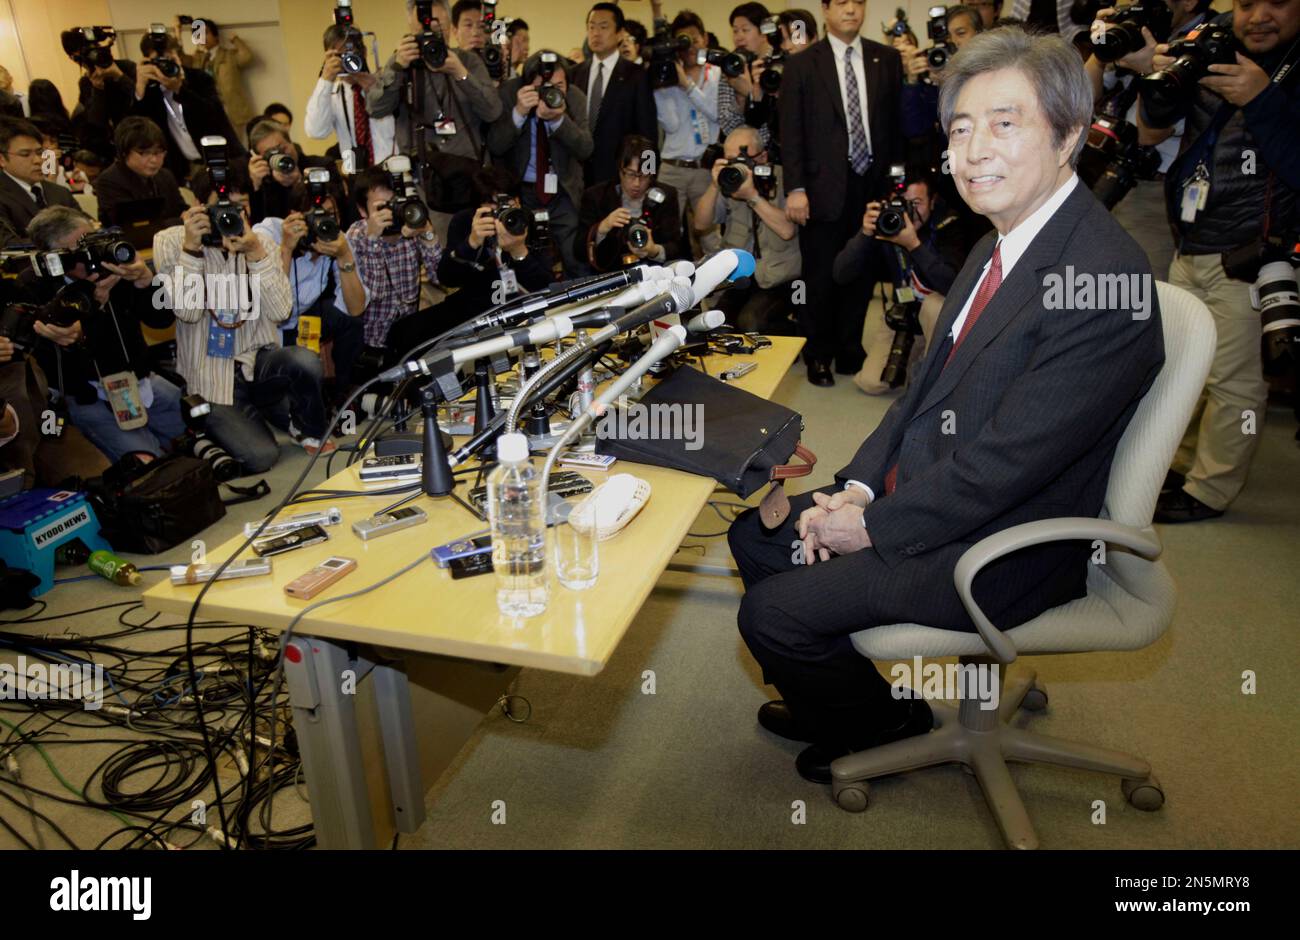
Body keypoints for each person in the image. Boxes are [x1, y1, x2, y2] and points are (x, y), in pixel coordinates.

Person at [728, 27, 1164, 784]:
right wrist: (858, 487)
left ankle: (879, 724)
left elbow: (1012, 463)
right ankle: (846, 699)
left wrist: (869, 526)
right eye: (960, 129)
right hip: (935, 495)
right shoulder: (1002, 242)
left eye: (1004, 124)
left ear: (1066, 138)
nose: (971, 152)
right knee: (757, 538)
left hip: (1009, 544)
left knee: (773, 613)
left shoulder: (1103, 278)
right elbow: (919, 399)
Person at [1137, 0, 1300, 523]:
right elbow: (1152, 127)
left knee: (1235, 383)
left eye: (1277, 1)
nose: (1260, 16)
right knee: (1189, 368)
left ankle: (1210, 489)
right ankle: (1183, 463)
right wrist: (1157, 73)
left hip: (1252, 252)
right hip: (1192, 238)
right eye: (1248, 3)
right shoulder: (1211, 47)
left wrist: (1263, 99)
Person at [152, 161, 331, 470]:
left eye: (240, 207)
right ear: (197, 207)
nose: (230, 217)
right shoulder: (170, 241)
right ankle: (210, 431)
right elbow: (188, 312)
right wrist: (192, 252)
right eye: (222, 208)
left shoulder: (260, 241)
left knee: (305, 360)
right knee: (261, 457)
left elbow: (281, 312)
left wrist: (256, 255)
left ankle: (285, 418)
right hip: (210, 375)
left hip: (257, 362)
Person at [779, 0, 904, 386]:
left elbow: (894, 124)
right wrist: (796, 188)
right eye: (842, 3)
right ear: (826, 9)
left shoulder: (886, 58)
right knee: (820, 274)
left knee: (861, 270)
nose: (851, 9)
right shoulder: (803, 63)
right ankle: (819, 354)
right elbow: (791, 131)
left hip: (872, 180)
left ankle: (850, 348)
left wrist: (897, 183)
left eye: (858, 2)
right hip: (820, 187)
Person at [23, 206, 184, 463]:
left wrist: (146, 280)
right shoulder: (34, 288)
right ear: (56, 259)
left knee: (203, 440)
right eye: (80, 251)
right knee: (150, 466)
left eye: (93, 242)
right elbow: (55, 366)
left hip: (143, 381)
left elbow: (162, 319)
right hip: (90, 396)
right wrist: (90, 311)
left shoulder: (114, 264)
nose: (92, 256)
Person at [835, 165, 987, 392]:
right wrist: (864, 234)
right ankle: (922, 360)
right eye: (902, 202)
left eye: (916, 203)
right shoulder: (887, 223)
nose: (908, 211)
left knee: (934, 306)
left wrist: (914, 245)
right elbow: (841, 274)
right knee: (871, 383)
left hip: (941, 316)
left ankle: (940, 373)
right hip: (904, 314)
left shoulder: (949, 224)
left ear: (933, 201)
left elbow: (953, 286)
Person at [365, 0, 503, 224]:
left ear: (450, 28)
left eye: (439, 31)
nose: (431, 38)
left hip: (472, 177)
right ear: (411, 30)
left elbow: (493, 111)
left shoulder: (468, 61)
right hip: (426, 181)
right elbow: (375, 108)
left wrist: (460, 73)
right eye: (424, 32)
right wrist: (398, 67)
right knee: (437, 251)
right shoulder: (402, 64)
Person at [253, 182, 368, 405]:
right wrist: (286, 248)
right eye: (315, 216)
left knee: (350, 322)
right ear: (295, 216)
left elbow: (356, 308)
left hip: (304, 320)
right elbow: (269, 304)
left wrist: (344, 255)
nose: (323, 224)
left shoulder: (337, 237)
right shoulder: (269, 232)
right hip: (266, 327)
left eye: (331, 216)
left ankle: (344, 398)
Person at [487, 50, 593, 277]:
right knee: (533, 259)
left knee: (575, 256)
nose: (552, 92)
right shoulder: (509, 92)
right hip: (522, 191)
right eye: (543, 87)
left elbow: (585, 149)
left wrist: (559, 120)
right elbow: (495, 146)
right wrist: (519, 113)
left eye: (559, 85)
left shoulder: (574, 97)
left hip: (563, 190)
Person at [694, 125, 801, 334]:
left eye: (740, 161)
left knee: (750, 323)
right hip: (742, 276)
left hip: (782, 277)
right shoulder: (728, 183)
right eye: (729, 160)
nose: (735, 168)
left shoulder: (784, 178)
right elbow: (700, 224)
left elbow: (787, 231)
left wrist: (752, 196)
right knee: (716, 327)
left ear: (761, 157)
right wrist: (715, 185)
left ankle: (795, 333)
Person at [344, 166, 444, 360]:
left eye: (394, 204)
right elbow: (374, 294)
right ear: (362, 210)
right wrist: (372, 241)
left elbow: (440, 278)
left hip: (409, 337)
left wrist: (428, 234)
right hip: (369, 343)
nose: (392, 212)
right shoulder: (355, 237)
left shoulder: (410, 224)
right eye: (381, 207)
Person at [131, 29, 245, 183]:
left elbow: (212, 114)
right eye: (159, 61)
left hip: (221, 160)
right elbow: (139, 128)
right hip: (181, 170)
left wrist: (179, 88)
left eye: (169, 58)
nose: (164, 66)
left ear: (176, 55)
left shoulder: (199, 79)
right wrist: (140, 88)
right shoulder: (150, 91)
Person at [654, 11, 723, 254]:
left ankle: (719, 290)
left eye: (695, 38)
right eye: (683, 40)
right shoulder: (670, 76)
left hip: (704, 168)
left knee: (710, 235)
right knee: (668, 233)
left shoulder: (716, 73)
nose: (690, 46)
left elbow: (717, 113)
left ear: (705, 38)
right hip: (672, 167)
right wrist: (662, 87)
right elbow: (671, 125)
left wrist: (688, 86)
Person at [570, 4, 658, 186]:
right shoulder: (574, 74)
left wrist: (649, 174)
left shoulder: (636, 75)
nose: (596, 33)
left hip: (618, 174)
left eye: (603, 27)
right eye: (591, 27)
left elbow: (647, 133)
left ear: (619, 33)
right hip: (576, 174)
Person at [577, 134, 685, 271]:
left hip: (654, 275)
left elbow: (677, 247)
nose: (636, 184)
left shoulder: (665, 195)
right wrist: (601, 229)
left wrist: (654, 251)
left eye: (644, 176)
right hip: (611, 275)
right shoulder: (596, 197)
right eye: (630, 174)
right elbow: (578, 252)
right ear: (619, 169)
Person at [304, 22, 398, 174]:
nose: (346, 60)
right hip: (357, 176)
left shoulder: (386, 85)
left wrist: (373, 87)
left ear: (364, 53)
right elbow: (316, 131)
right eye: (339, 56)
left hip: (393, 172)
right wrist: (325, 79)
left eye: (350, 54)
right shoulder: (332, 94)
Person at [92, 116, 188, 227]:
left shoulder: (165, 176)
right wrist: (181, 220)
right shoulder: (109, 180)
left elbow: (181, 210)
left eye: (158, 152)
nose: (154, 160)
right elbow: (135, 226)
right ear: (125, 152)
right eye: (145, 153)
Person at [0, 118, 79, 247]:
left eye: (39, 152)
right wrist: (64, 242)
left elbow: (86, 227)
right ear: (2, 159)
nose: (38, 160)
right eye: (25, 154)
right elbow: (7, 245)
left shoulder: (60, 192)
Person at [184, 19, 256, 132]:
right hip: (206, 111)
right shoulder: (197, 59)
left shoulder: (229, 55)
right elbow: (180, 61)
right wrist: (177, 31)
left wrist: (235, 40)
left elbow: (247, 57)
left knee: (237, 145)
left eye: (205, 32)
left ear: (215, 35)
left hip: (231, 111)